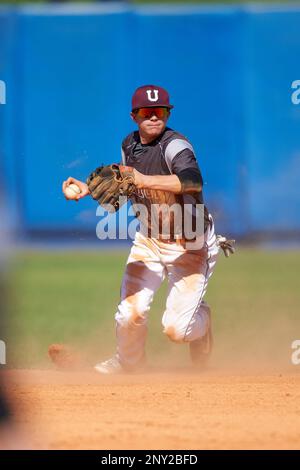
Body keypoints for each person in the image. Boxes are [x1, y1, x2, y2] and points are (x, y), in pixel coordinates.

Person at [63, 84, 233, 374]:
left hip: (190, 245)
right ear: (134, 116)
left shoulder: (176, 146)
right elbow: (123, 178)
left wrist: (143, 179)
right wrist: (86, 188)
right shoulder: (129, 144)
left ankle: (202, 324)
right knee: (131, 313)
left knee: (176, 330)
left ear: (168, 114)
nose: (154, 117)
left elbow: (192, 182)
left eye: (161, 111)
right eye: (146, 111)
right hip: (150, 240)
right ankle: (130, 364)